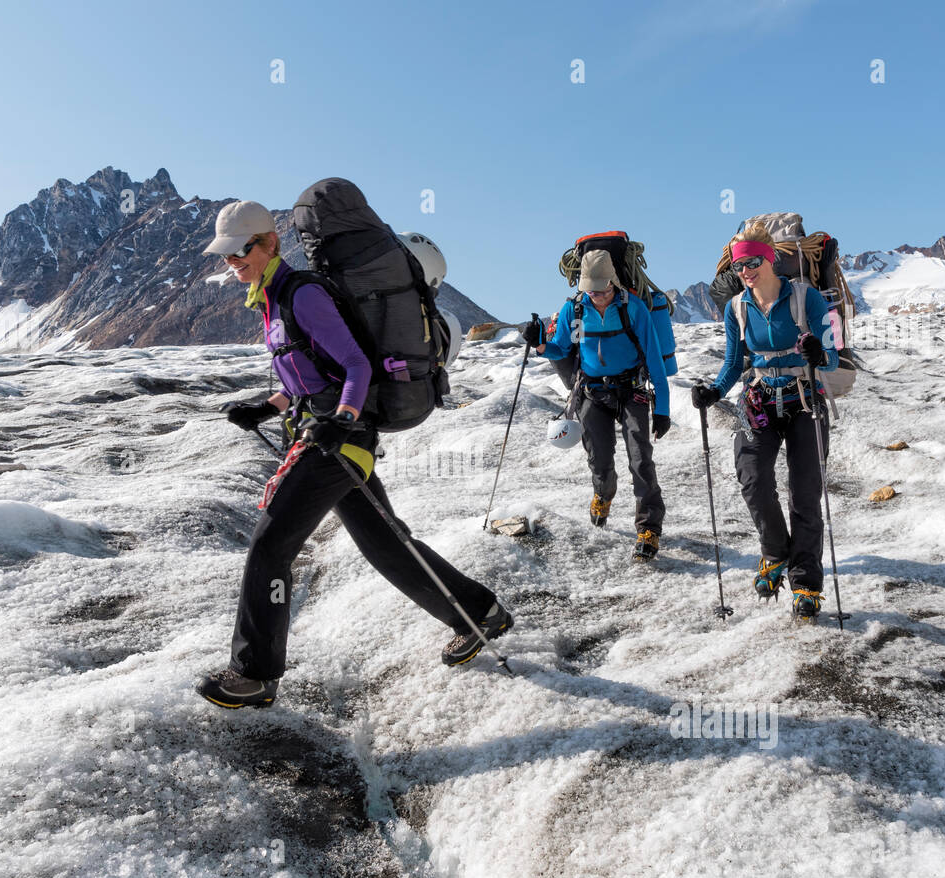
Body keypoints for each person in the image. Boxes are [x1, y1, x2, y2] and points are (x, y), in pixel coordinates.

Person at [196, 200, 512, 708]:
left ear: (270, 243)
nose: (233, 262)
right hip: (323, 432)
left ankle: (253, 673)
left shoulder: (302, 295)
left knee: (270, 545)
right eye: (227, 256)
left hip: (339, 439)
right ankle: (481, 614)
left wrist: (340, 417)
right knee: (386, 543)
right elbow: (308, 377)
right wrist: (265, 405)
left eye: (242, 250)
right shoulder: (271, 300)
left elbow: (356, 367)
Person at [690, 224, 839, 620]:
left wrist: (815, 351)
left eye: (753, 262)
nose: (746, 271)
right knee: (753, 479)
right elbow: (733, 362)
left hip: (806, 399)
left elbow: (833, 357)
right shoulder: (736, 307)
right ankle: (775, 553)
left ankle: (805, 582)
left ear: (770, 258)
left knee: (805, 493)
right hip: (759, 399)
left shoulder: (807, 300)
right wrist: (714, 391)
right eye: (739, 266)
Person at [522, 249, 672, 561]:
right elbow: (562, 347)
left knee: (640, 458)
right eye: (592, 290)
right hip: (592, 392)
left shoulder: (634, 310)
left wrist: (663, 409)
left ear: (614, 284)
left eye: (603, 290)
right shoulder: (575, 310)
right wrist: (539, 344)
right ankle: (602, 495)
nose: (599, 296)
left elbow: (655, 360)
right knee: (600, 460)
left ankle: (648, 529)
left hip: (632, 392)